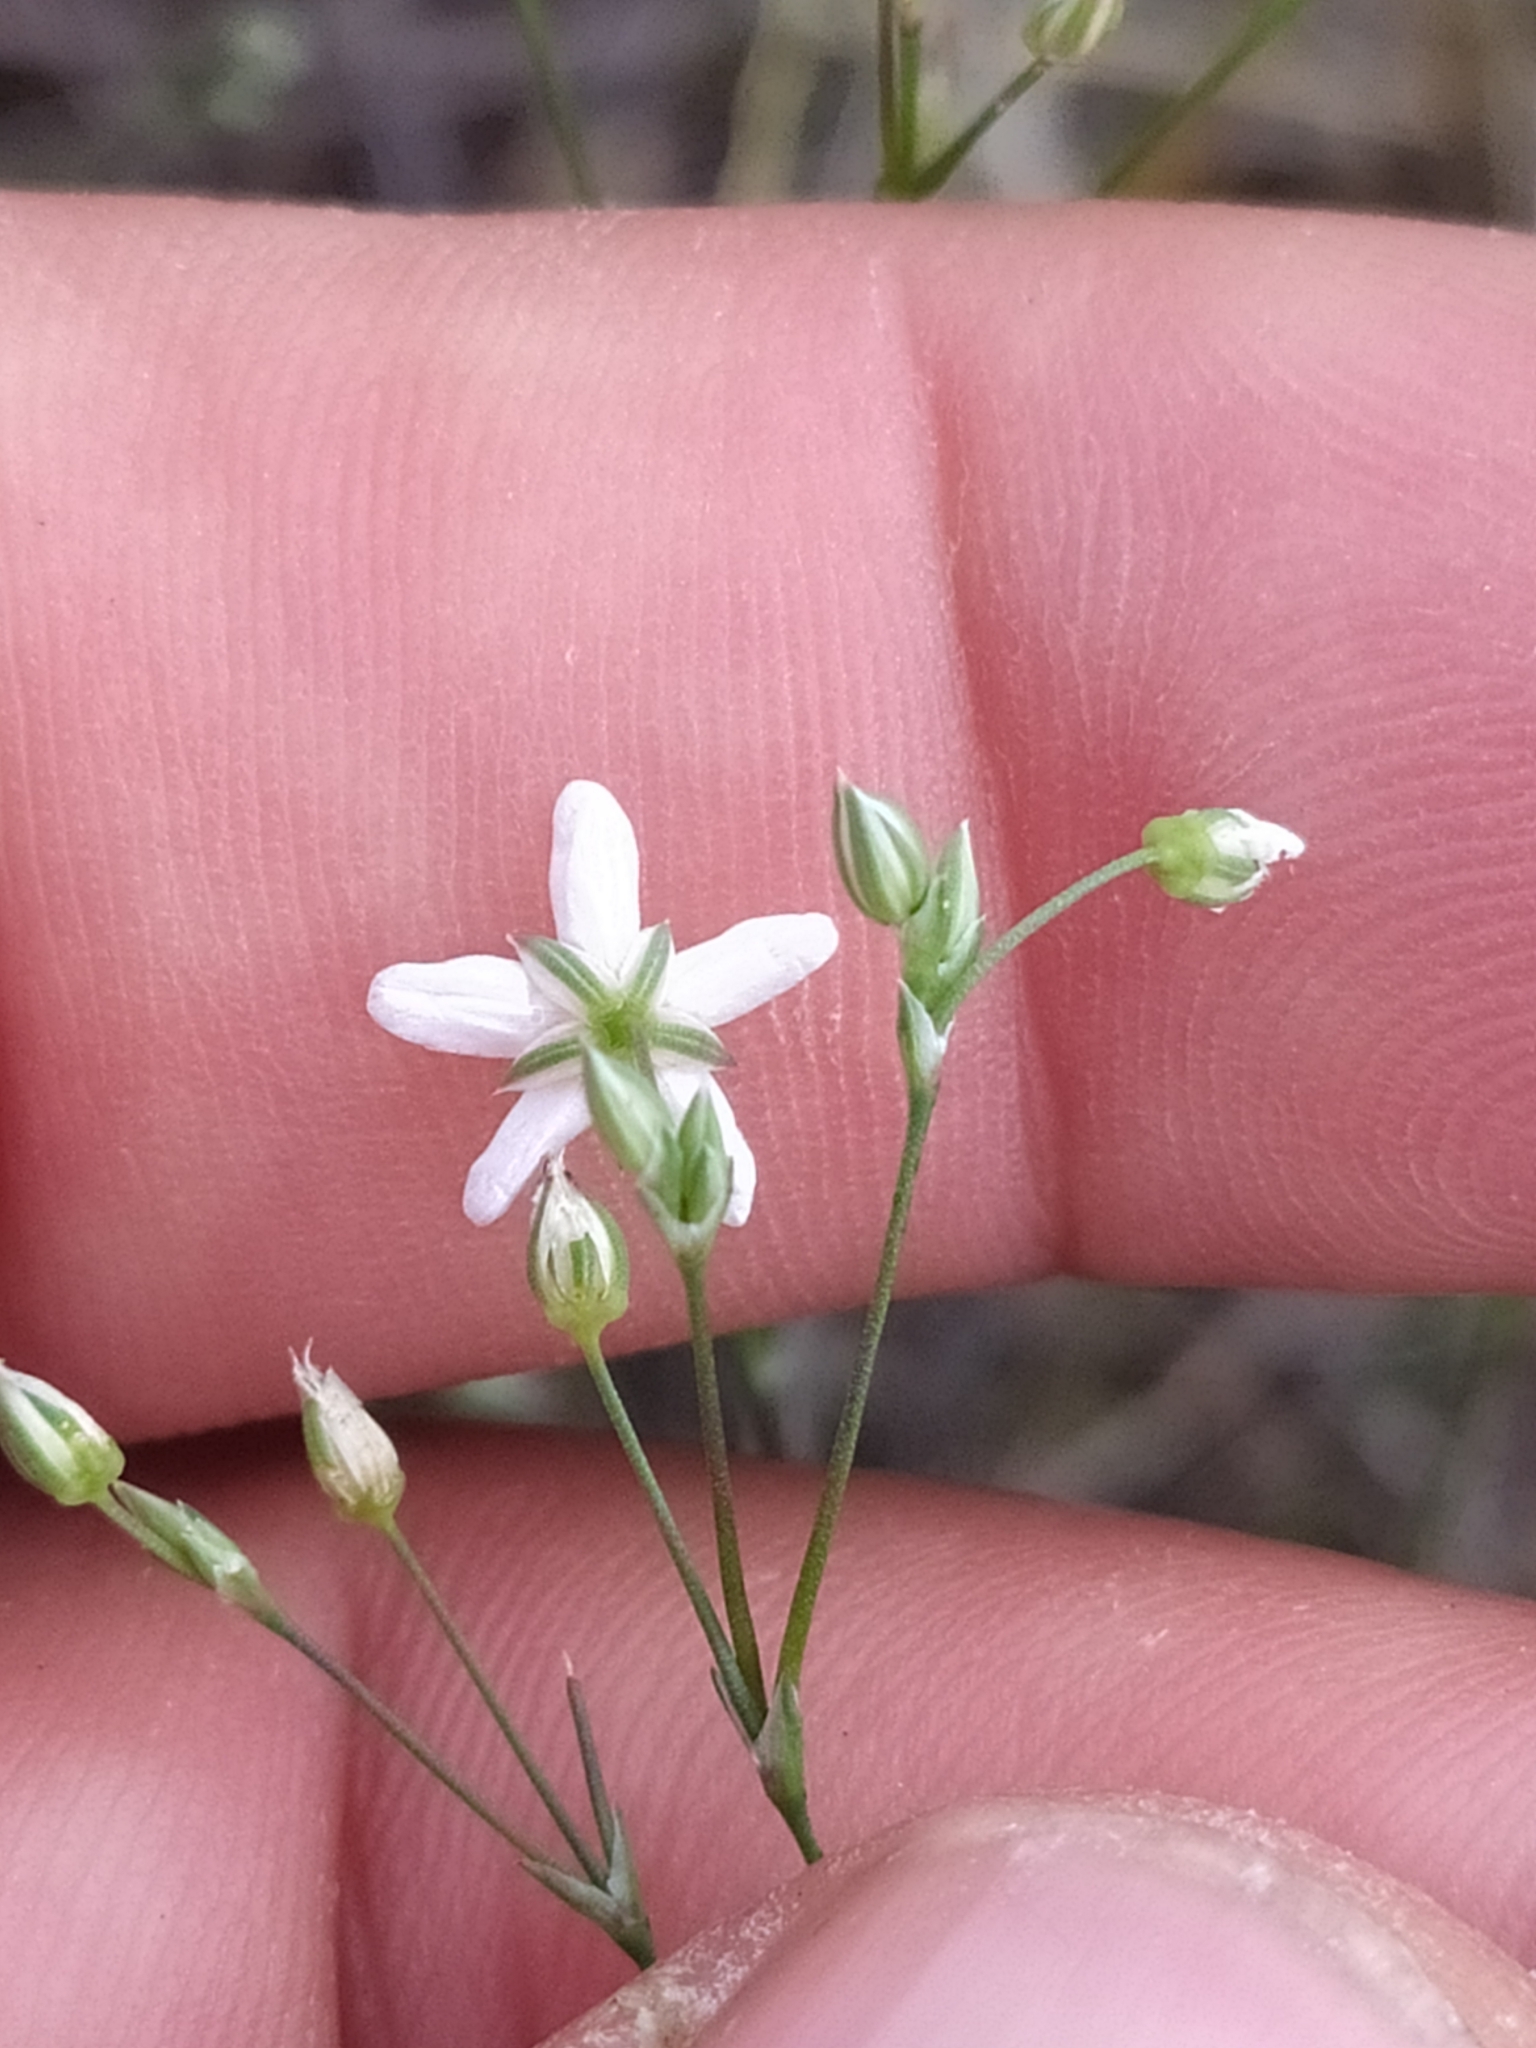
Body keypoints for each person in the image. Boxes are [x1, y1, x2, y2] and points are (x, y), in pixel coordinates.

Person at [3, 188, 1536, 2046]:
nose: (616, 1025)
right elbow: (549, 1021)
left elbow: (731, 980)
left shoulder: (679, 1044)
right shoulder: (609, 1066)